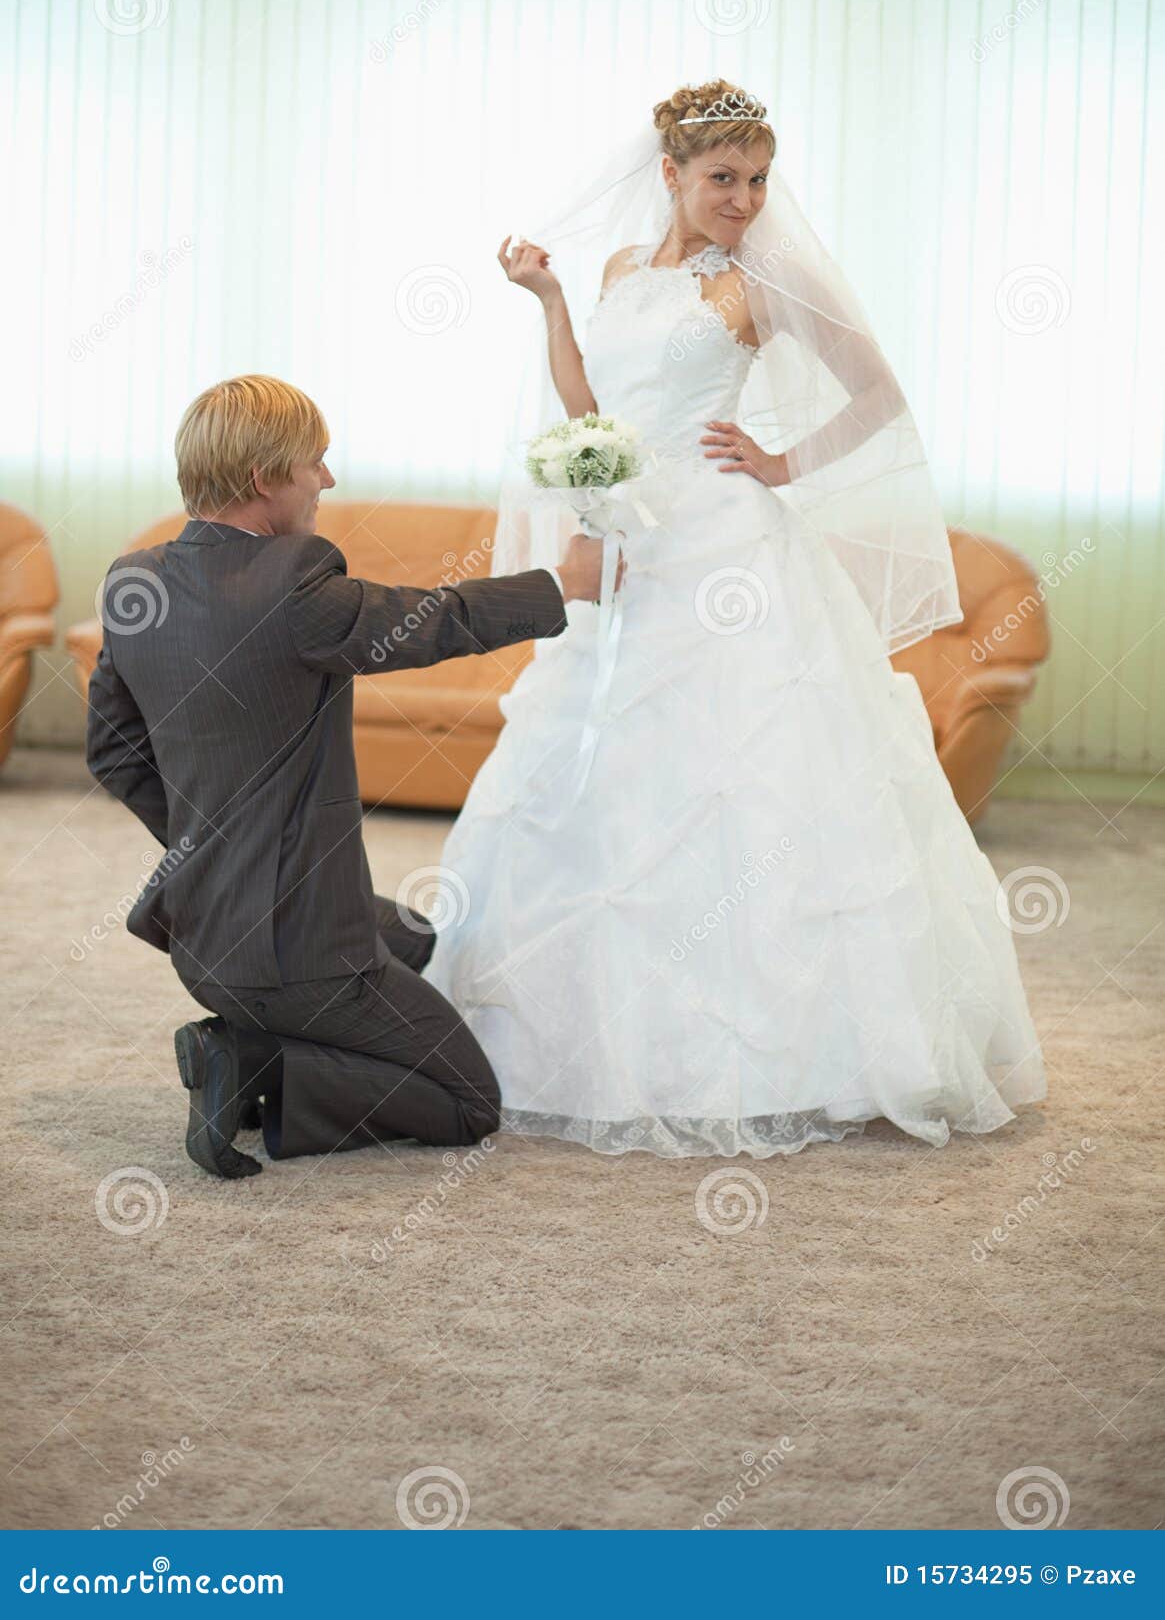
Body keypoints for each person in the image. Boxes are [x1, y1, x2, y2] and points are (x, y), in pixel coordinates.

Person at [421, 79, 1048, 1158]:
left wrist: (778, 462)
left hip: (728, 553)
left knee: (748, 778)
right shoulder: (620, 274)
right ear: (669, 175)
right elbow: (591, 414)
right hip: (633, 549)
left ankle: (788, 1049)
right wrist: (552, 305)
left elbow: (877, 394)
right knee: (598, 780)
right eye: (722, 179)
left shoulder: (768, 275)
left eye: (757, 180)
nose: (744, 199)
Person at [86, 374, 605, 1178]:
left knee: (418, 940)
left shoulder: (132, 583)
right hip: (294, 960)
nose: (327, 481)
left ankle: (260, 1033)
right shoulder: (293, 581)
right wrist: (563, 583)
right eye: (315, 464)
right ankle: (259, 1063)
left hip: (202, 932)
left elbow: (114, 755)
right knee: (469, 1101)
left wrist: (213, 839)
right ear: (266, 479)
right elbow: (437, 620)